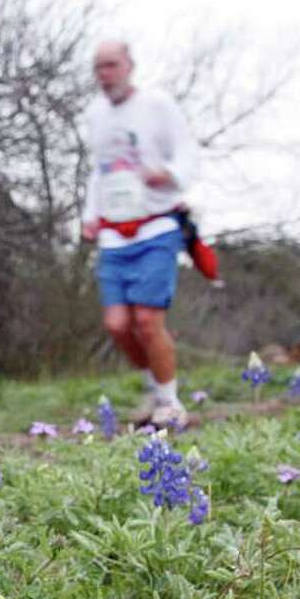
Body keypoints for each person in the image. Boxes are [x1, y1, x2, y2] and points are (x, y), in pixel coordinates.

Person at [81, 40, 200, 428]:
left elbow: (187, 151)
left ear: (130, 65)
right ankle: (154, 388)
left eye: (112, 65)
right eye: (98, 67)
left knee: (148, 321)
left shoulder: (156, 105)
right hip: (114, 233)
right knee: (117, 324)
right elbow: (97, 170)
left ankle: (171, 402)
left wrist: (169, 175)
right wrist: (89, 214)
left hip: (156, 225)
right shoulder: (95, 114)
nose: (104, 74)